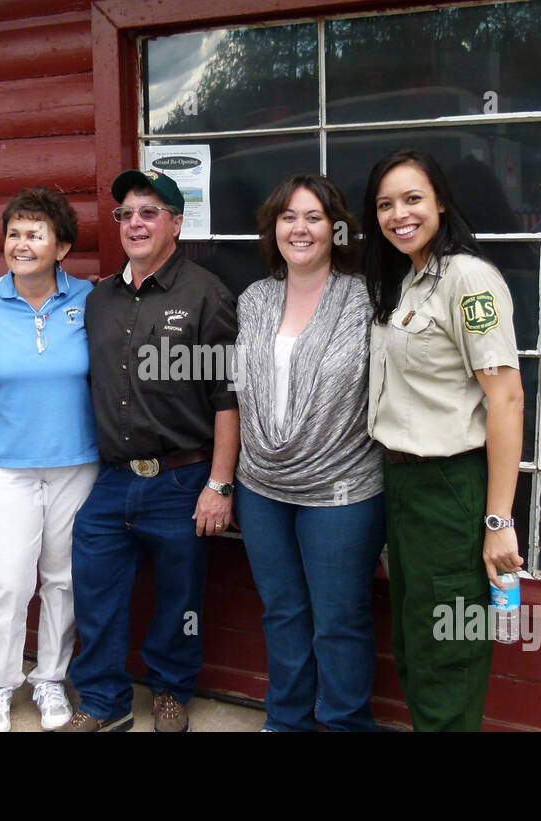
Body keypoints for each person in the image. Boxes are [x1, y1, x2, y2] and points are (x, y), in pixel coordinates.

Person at [62, 169, 238, 732]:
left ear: (176, 224)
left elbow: (227, 397)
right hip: (113, 480)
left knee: (180, 599)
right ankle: (104, 701)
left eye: (149, 212)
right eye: (125, 214)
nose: (134, 223)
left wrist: (219, 483)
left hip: (182, 479)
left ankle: (170, 691)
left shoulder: (206, 293)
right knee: (96, 592)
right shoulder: (98, 301)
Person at [362, 149, 524, 732]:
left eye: (412, 199)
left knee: (445, 650)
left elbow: (505, 397)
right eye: (385, 204)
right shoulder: (405, 282)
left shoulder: (467, 278)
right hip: (402, 484)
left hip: (449, 486)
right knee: (417, 642)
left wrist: (498, 521)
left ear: (441, 203)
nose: (399, 214)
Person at [234, 174, 385, 731]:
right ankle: (287, 721)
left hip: (341, 488)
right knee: (283, 613)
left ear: (336, 228)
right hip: (261, 488)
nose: (300, 228)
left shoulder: (365, 299)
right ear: (273, 229)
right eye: (288, 217)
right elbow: (239, 392)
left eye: (314, 217)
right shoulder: (255, 299)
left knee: (339, 621)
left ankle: (345, 723)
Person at [0, 188, 98, 732]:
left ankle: (49, 679)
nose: (22, 244)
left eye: (35, 234)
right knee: (6, 580)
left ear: (61, 245)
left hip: (76, 461)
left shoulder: (90, 299)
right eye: (14, 234)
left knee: (63, 579)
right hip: (3, 464)